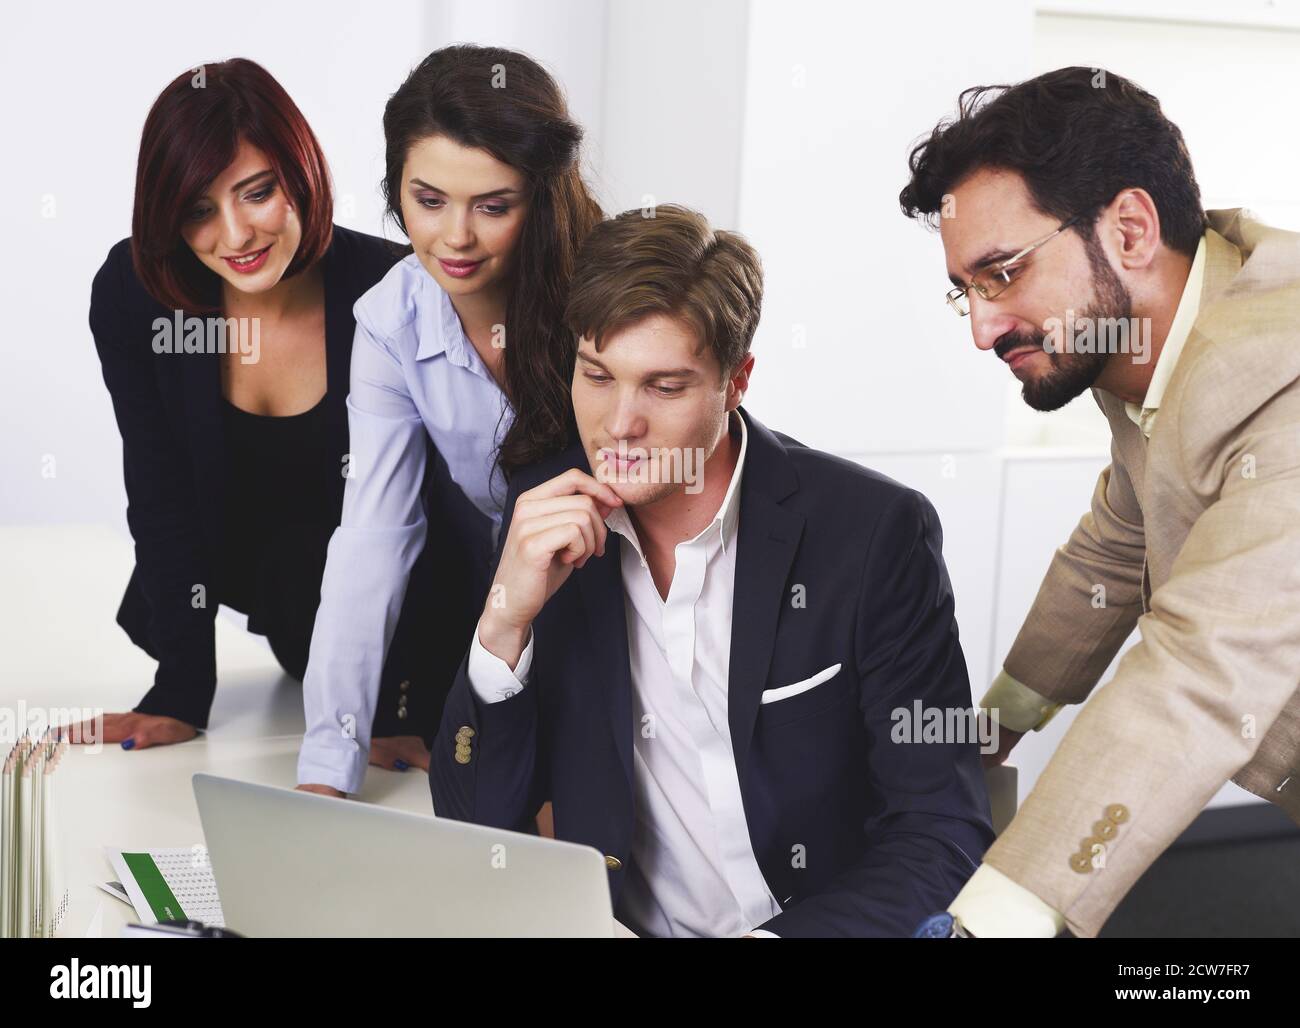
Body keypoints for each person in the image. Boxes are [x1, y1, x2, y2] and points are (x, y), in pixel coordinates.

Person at [428, 204, 993, 937]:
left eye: (664, 388)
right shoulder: (549, 517)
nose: (618, 424)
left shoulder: (871, 534)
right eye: (596, 375)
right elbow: (478, 832)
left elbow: (940, 828)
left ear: (737, 381)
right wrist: (504, 621)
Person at [900, 67, 1300, 939]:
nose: (981, 326)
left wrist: (992, 922)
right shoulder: (1153, 347)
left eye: (1002, 274)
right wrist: (987, 734)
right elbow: (1117, 550)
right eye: (964, 290)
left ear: (1128, 230)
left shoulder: (1285, 376)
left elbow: (1199, 672)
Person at [84, 58, 432, 756]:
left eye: (257, 192)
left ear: (299, 171)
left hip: (402, 621)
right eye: (199, 210)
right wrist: (181, 692)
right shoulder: (136, 292)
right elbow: (159, 496)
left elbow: (437, 520)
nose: (236, 235)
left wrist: (401, 704)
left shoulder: (395, 287)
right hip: (278, 612)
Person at [295, 45, 603, 798]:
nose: (455, 238)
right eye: (428, 200)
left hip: (616, 590)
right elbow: (371, 539)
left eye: (493, 206)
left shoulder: (609, 288)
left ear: (544, 197)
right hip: (500, 606)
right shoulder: (390, 320)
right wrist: (326, 772)